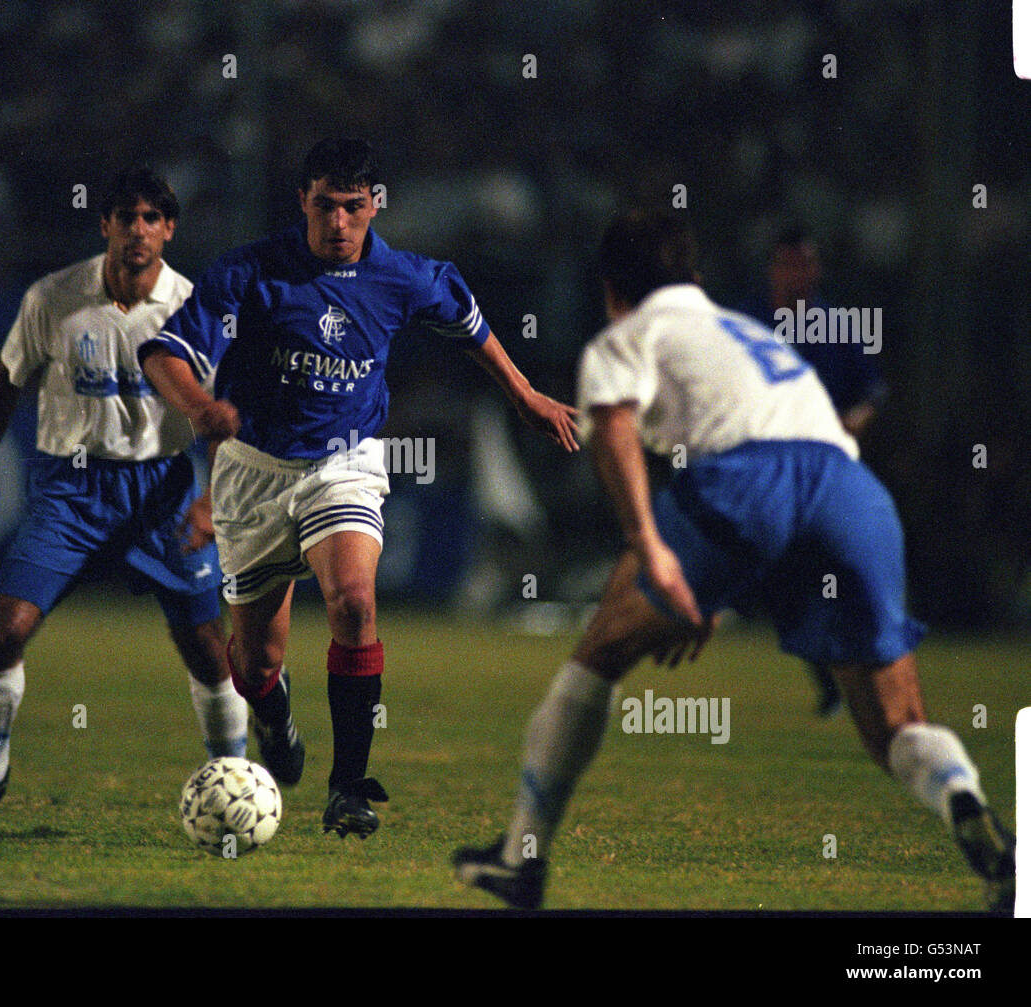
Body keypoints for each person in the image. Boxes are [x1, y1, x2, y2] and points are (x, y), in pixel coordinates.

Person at [453, 209, 1015, 910]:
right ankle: (966, 801)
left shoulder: (626, 336)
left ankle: (521, 857)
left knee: (596, 656)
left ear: (611, 288)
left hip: (749, 479)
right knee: (897, 724)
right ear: (693, 276)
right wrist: (714, 581)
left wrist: (653, 550)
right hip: (854, 493)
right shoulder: (745, 329)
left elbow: (618, 431)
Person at [138, 138, 578, 838]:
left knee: (354, 599)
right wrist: (198, 407)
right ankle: (274, 715)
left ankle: (348, 788)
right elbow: (162, 352)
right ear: (302, 203)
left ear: (375, 206)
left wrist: (525, 396)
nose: (338, 223)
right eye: (324, 206)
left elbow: (470, 323)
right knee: (254, 662)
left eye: (352, 207)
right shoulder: (250, 271)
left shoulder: (404, 275)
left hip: (344, 462)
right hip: (253, 471)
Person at [0, 169, 246, 805]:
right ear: (105, 225)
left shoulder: (192, 307)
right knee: (3, 630)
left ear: (170, 230)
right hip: (71, 489)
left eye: (152, 218)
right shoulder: (54, 297)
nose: (137, 230)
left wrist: (210, 501)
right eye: (125, 216)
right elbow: (8, 380)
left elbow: (224, 414)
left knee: (207, 647)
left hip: (162, 490)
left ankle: (234, 776)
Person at [738, 223, 889, 716]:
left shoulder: (837, 325)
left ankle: (862, 669)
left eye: (805, 263)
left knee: (834, 573)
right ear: (773, 270)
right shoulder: (751, 323)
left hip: (826, 470)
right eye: (788, 263)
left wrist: (852, 425)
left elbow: (872, 392)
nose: (797, 274)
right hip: (769, 471)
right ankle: (830, 675)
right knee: (784, 580)